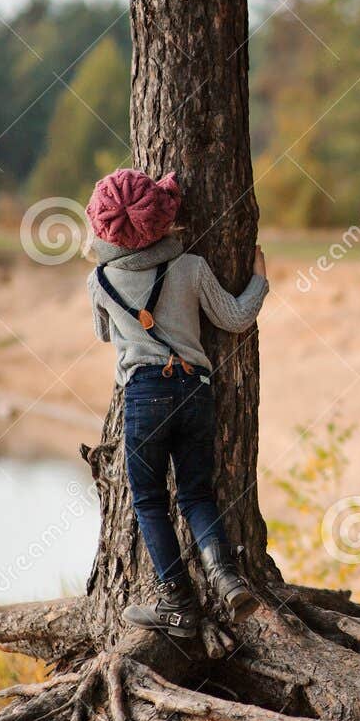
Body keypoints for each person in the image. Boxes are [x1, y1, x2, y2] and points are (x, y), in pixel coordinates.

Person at [83, 167, 269, 639]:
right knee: (196, 494)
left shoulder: (99, 280)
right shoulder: (190, 267)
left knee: (148, 499)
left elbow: (104, 333)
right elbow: (235, 317)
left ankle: (178, 603)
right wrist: (259, 281)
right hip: (194, 390)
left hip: (144, 396)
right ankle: (226, 579)